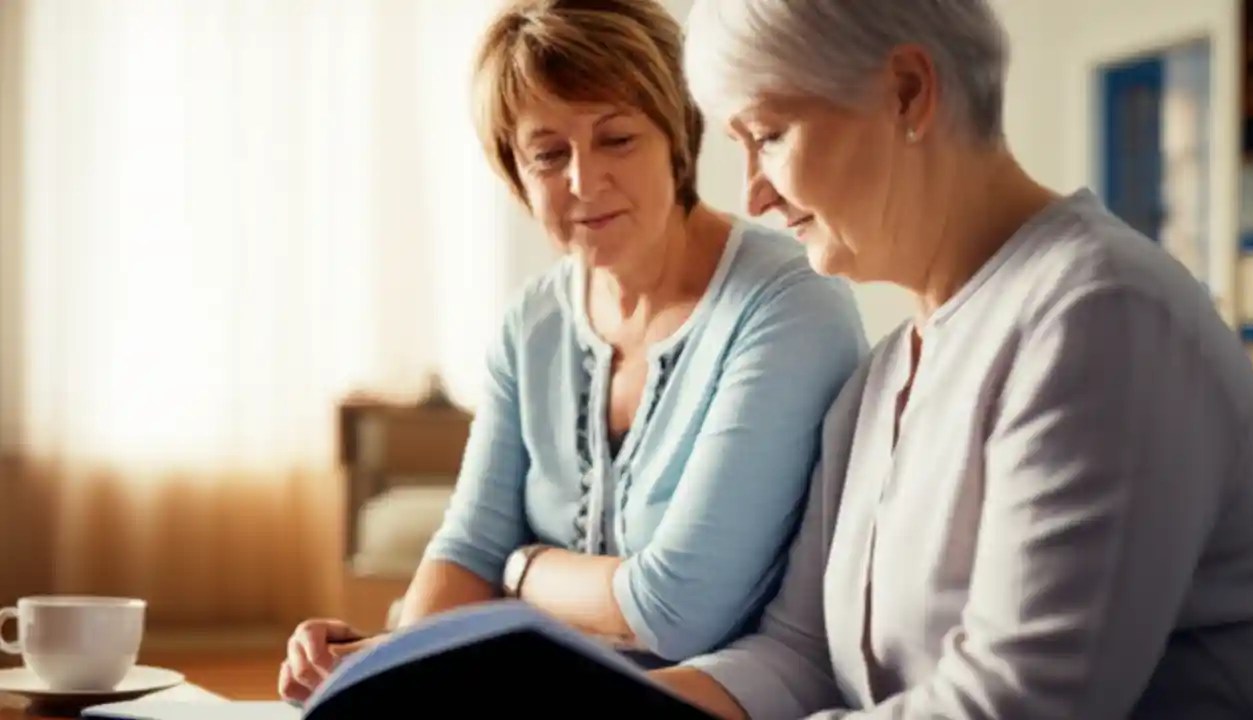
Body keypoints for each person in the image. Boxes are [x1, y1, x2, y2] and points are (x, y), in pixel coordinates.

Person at [650, 0, 1253, 718]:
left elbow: (1020, 704)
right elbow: (802, 653)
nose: (753, 196)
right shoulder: (882, 376)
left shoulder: (1101, 315)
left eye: (767, 135)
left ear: (909, 92)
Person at [278, 0, 870, 704]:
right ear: (515, 174)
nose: (584, 184)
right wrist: (388, 661)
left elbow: (678, 611)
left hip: (719, 695)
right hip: (538, 691)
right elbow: (470, 547)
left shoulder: (788, 300)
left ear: (677, 138)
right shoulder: (532, 322)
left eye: (616, 139)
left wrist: (521, 569)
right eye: (549, 154)